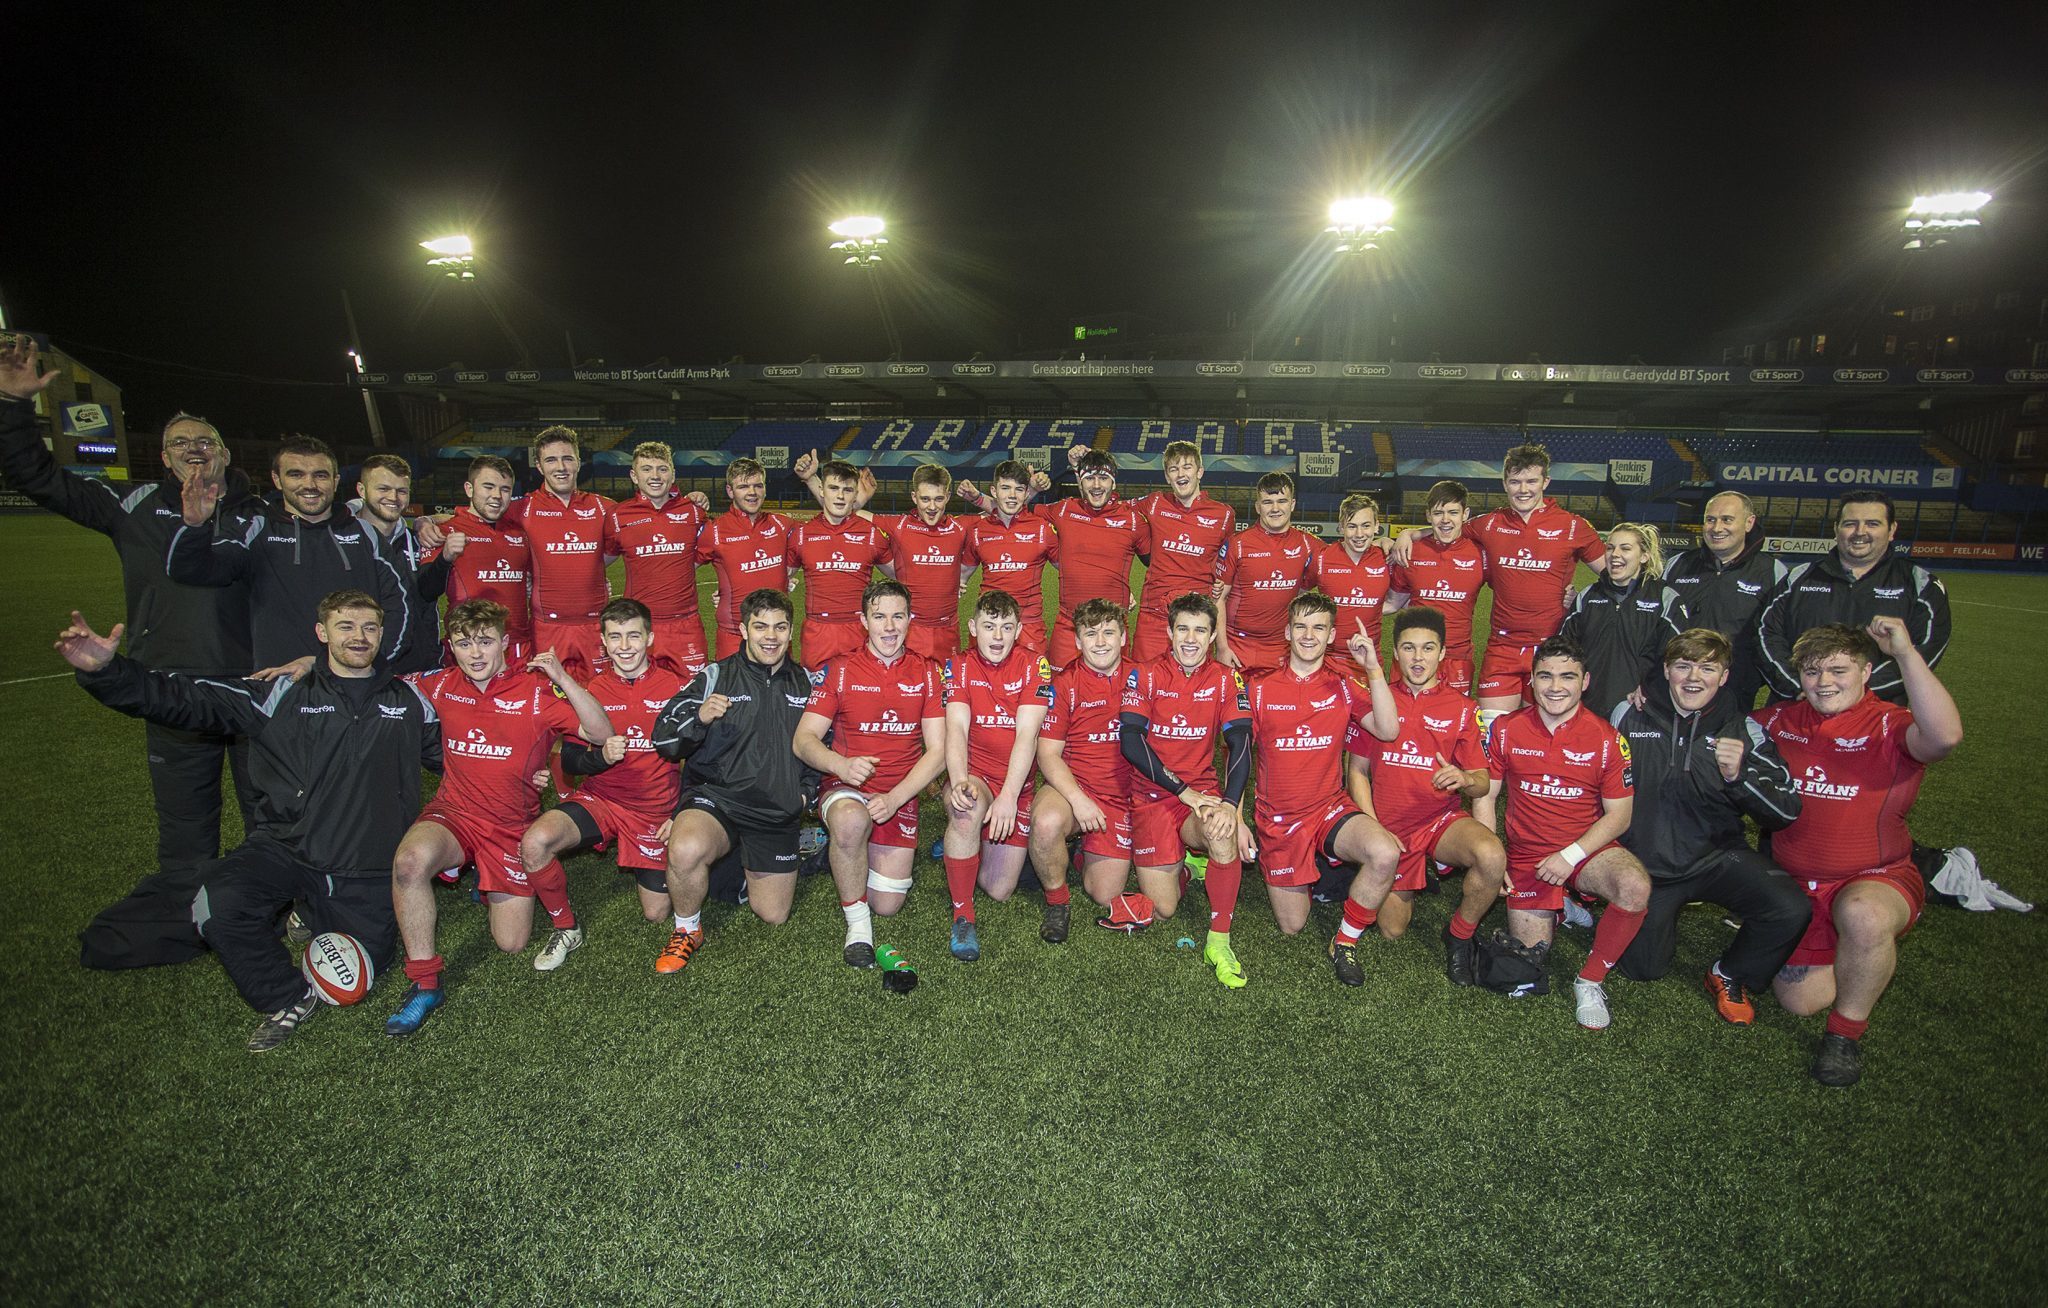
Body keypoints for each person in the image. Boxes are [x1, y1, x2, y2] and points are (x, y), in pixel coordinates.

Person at [54, 590, 439, 1052]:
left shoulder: (410, 701)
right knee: (217, 902)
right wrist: (107, 672)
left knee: (361, 975)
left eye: (369, 627)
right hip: (287, 847)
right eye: (346, 626)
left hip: (366, 866)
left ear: (381, 634)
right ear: (321, 633)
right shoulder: (282, 692)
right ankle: (287, 997)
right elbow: (188, 699)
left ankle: (307, 912)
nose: (359, 637)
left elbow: (465, 756)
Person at [0, 339, 263, 891]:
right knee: (186, 827)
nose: (193, 448)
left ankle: (271, 904)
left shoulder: (264, 513)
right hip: (171, 684)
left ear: (224, 453)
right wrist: (13, 404)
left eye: (204, 440)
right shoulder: (133, 504)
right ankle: (187, 913)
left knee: (270, 814)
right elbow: (37, 476)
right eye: (179, 442)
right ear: (164, 459)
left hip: (256, 686)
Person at [1751, 490, 1999, 907]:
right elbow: (1765, 631)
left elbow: (1926, 648)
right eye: (1850, 523)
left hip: (1875, 728)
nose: (1859, 532)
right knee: (1784, 799)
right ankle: (1775, 895)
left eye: (1872, 523)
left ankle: (1919, 873)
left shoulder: (1918, 583)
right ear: (1836, 529)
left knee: (1859, 814)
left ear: (1892, 530)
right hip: (1798, 714)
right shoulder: (1802, 577)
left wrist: (1853, 698)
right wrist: (1803, 688)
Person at [384, 600, 614, 1036]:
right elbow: (378, 683)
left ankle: (482, 877)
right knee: (409, 863)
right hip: (454, 814)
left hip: (509, 829)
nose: (475, 653)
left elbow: (602, 734)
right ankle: (425, 983)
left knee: (511, 942)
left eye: (485, 642)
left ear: (505, 642)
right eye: (464, 643)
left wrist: (563, 679)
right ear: (451, 646)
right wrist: (310, 667)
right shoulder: (441, 683)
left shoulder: (536, 691)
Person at [1755, 620, 1963, 1086]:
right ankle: (1850, 948)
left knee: (1865, 915)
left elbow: (1945, 737)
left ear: (1866, 672)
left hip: (1873, 875)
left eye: (1838, 670)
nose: (1823, 682)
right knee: (1800, 1001)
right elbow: (1710, 729)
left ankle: (1843, 1036)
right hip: (1797, 887)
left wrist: (1905, 653)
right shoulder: (1780, 720)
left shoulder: (1888, 723)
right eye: (1812, 672)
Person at [1607, 628, 1810, 1023]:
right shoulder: (1627, 714)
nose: (1694, 678)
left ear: (1725, 676)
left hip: (1715, 857)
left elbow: (1785, 811)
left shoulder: (1743, 729)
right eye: (1683, 666)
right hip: (1649, 867)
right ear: (1666, 670)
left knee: (1789, 908)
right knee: (1642, 968)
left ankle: (1729, 972)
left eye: (1708, 668)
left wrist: (1739, 776)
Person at [1483, 635, 1652, 1030]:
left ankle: (1589, 981)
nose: (1555, 687)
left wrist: (1569, 856)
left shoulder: (1608, 739)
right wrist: (1494, 856)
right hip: (1527, 858)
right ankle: (1564, 906)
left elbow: (1619, 817)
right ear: (1531, 681)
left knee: (1634, 887)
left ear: (1585, 681)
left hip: (1585, 852)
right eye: (1545, 676)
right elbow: (1486, 797)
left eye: (1567, 677)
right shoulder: (1505, 729)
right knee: (1528, 958)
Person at [652, 588, 819, 973]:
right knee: (686, 848)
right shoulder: (717, 676)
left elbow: (822, 746)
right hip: (718, 800)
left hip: (773, 810)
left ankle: (749, 858)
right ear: (743, 630)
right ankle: (687, 929)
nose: (771, 636)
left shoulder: (806, 683)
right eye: (760, 627)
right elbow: (663, 739)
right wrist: (699, 719)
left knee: (773, 913)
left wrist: (804, 795)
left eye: (780, 627)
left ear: (791, 631)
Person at [516, 598, 688, 969]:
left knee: (657, 912)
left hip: (654, 810)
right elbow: (570, 759)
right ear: (604, 643)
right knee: (535, 842)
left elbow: (701, 758)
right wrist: (601, 758)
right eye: (615, 637)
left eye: (633, 636)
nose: (625, 646)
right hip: (602, 801)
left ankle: (644, 856)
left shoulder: (677, 687)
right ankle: (566, 927)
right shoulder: (592, 690)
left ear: (650, 638)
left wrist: (682, 812)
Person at [1244, 593, 1404, 988]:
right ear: (1287, 632)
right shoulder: (1259, 687)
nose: (1308, 635)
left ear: (1332, 635)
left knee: (1384, 852)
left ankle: (1344, 941)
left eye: (1318, 627)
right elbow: (1239, 757)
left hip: (1328, 808)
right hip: (1279, 819)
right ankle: (1323, 870)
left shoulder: (1344, 685)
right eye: (1300, 626)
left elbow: (1388, 730)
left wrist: (1374, 669)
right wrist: (1237, 814)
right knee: (1292, 925)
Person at [1342, 606, 1507, 985]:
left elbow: (1483, 783)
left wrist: (1464, 778)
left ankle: (1460, 936)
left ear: (1443, 653)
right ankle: (1411, 872)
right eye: (1409, 648)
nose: (1418, 658)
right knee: (1392, 929)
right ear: (1396, 653)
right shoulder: (1376, 700)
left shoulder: (1463, 708)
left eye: (1428, 648)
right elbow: (1357, 772)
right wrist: (1374, 827)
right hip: (1390, 828)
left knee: (1492, 855)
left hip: (1439, 822)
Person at [793, 579, 949, 968]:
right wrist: (840, 765)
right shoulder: (839, 670)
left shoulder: (928, 672)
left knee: (888, 903)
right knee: (850, 822)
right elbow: (803, 740)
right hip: (846, 786)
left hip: (898, 795)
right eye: (879, 617)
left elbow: (940, 751)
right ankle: (858, 928)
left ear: (910, 619)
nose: (889, 627)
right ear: (864, 621)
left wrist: (896, 799)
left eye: (898, 616)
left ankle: (833, 851)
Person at [167, 433, 413, 671]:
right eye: (296, 474)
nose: (310, 485)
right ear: (277, 479)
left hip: (352, 681)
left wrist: (368, 664)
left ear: (336, 480)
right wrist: (194, 527)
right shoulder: (256, 530)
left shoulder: (365, 534)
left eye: (320, 475)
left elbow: (400, 605)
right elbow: (192, 571)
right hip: (279, 682)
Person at [1399, 445, 1606, 720]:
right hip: (1502, 647)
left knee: (1541, 731)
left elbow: (1614, 575)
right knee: (1492, 729)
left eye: (1531, 481)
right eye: (1515, 481)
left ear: (1546, 482)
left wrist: (1581, 600)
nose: (1523, 489)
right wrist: (1409, 534)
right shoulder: (1490, 524)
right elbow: (1448, 527)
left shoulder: (1573, 526)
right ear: (1505, 483)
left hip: (1550, 649)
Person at [1118, 593, 1255, 989]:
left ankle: (1219, 942)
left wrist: (1229, 806)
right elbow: (1130, 741)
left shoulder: (1227, 679)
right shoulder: (1144, 674)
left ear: (1212, 636)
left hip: (1201, 794)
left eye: (1200, 630)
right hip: (1153, 796)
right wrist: (1182, 791)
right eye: (1183, 629)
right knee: (1163, 908)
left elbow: (1241, 743)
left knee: (1220, 829)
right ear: (1169, 632)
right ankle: (1189, 864)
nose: (1191, 639)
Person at [939, 590, 1055, 960]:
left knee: (999, 888)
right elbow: (956, 729)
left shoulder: (1035, 665)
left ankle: (965, 847)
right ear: (973, 627)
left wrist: (1008, 796)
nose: (998, 636)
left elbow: (1027, 735)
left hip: (1015, 786)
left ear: (1019, 630)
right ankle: (963, 915)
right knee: (966, 809)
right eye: (989, 626)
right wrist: (960, 781)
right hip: (977, 774)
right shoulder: (958, 665)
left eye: (1006, 627)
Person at [1029, 598, 1136, 924]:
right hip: (1073, 788)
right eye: (1090, 634)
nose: (1100, 642)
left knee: (1104, 893)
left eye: (1108, 633)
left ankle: (1081, 852)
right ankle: (1057, 900)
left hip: (1120, 798)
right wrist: (1079, 800)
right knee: (1046, 823)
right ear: (1077, 641)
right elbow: (1047, 754)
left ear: (1123, 636)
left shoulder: (1143, 679)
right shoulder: (1064, 684)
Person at [495, 426, 615, 681]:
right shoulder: (522, 508)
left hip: (595, 628)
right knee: (548, 698)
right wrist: (426, 521)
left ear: (578, 462)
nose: (560, 467)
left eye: (567, 458)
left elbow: (644, 525)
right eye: (551, 460)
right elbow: (476, 516)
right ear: (539, 466)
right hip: (547, 629)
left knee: (599, 695)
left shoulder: (603, 507)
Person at [1659, 490, 1785, 707]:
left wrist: (1751, 678)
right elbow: (1655, 626)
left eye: (1727, 519)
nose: (1716, 528)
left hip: (1735, 694)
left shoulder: (1772, 572)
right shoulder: (1677, 565)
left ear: (1749, 523)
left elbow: (1775, 636)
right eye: (1710, 520)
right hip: (1676, 689)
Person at [1559, 522, 1687, 717]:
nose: (1615, 554)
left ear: (1644, 556)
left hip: (1638, 711)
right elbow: (1564, 651)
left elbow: (1679, 658)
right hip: (1587, 709)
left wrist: (1650, 688)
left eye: (1625, 548)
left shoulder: (1665, 599)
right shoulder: (1587, 597)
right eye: (1610, 548)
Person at [416, 455, 534, 666]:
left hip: (519, 648)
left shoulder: (520, 533)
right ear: (469, 489)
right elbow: (425, 591)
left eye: (505, 489)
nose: (496, 495)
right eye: (488, 487)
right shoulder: (444, 531)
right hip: (470, 648)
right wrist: (445, 558)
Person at [608, 441, 711, 678]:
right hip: (638, 625)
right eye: (646, 469)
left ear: (673, 474)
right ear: (634, 476)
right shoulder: (617, 516)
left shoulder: (693, 511)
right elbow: (596, 559)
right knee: (640, 692)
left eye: (662, 469)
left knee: (693, 693)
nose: (655, 476)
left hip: (686, 625)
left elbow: (717, 552)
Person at [1127, 440, 1235, 663]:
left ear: (1199, 472)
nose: (1180, 474)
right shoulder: (1154, 503)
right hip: (1154, 617)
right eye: (1173, 469)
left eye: (1187, 467)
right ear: (1167, 476)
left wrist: (1218, 582)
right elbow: (1111, 512)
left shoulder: (1223, 515)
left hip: (1197, 618)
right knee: (1143, 680)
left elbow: (1225, 567)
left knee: (1191, 682)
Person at [1041, 448, 1145, 669]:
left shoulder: (1133, 519)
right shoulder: (1063, 510)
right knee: (1060, 688)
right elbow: (1017, 510)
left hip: (1112, 627)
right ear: (1080, 482)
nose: (1097, 485)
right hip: (1069, 626)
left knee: (1113, 688)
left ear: (1113, 483)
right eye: (1090, 478)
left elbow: (1157, 560)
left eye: (1103, 478)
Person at [784, 457, 889, 668]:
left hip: (858, 630)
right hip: (818, 633)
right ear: (821, 490)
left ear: (856, 494)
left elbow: (904, 575)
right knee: (816, 688)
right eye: (833, 488)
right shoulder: (802, 534)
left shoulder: (871, 534)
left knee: (860, 688)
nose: (840, 496)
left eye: (847, 490)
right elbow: (776, 579)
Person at [1386, 480, 1486, 696]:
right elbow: (1393, 603)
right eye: (1438, 513)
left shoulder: (1481, 554)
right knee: (1400, 716)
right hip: (1414, 655)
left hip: (1457, 658)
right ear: (1428, 516)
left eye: (1453, 512)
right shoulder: (1410, 551)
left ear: (1465, 514)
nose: (1446, 520)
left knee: (1453, 716)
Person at [1215, 472, 1320, 678]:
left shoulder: (1308, 544)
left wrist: (1382, 543)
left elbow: (1345, 554)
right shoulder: (1237, 544)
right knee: (1234, 700)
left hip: (1281, 648)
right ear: (1257, 507)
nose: (1275, 508)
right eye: (1267, 502)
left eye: (1282, 501)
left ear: (1292, 504)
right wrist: (1222, 647)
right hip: (1237, 646)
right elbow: (1218, 598)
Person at [866, 462, 973, 662]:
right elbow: (851, 512)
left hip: (947, 629)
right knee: (909, 681)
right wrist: (862, 499)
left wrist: (978, 498)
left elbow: (1003, 510)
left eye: (938, 499)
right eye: (925, 499)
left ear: (948, 497)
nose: (932, 507)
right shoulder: (899, 525)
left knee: (947, 681)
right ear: (914, 497)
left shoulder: (960, 527)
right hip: (911, 629)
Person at [352, 453, 444, 674]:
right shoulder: (342, 541)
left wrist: (428, 519)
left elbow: (466, 516)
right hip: (359, 669)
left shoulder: (419, 541)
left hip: (416, 671)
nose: (393, 497)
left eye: (402, 491)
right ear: (361, 490)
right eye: (383, 489)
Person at [696, 457, 795, 660]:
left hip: (776, 635)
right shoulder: (714, 531)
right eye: (743, 487)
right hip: (733, 635)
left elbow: (824, 532)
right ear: (730, 491)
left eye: (758, 485)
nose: (752, 492)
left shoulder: (782, 525)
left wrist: (788, 575)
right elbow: (679, 568)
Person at [959, 461, 1059, 658]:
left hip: (1028, 625)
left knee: (1033, 678)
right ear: (994, 491)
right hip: (989, 622)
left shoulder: (1042, 528)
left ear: (1026, 493)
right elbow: (961, 576)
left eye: (1019, 489)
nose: (1012, 495)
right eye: (1005, 488)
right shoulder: (978, 530)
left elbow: (1070, 570)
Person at [1315, 493, 1393, 682]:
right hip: (1328, 661)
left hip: (1369, 660)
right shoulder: (1322, 557)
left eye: (1366, 525)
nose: (1359, 534)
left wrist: (1405, 535)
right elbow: (1297, 594)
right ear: (1341, 527)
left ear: (1377, 526)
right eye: (1352, 526)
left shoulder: (1388, 558)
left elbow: (1398, 601)